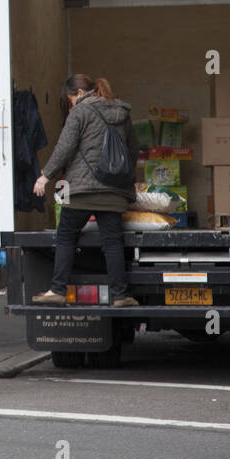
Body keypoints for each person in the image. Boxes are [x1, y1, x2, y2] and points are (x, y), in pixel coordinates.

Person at [31, 74, 139, 308]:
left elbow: (65, 147)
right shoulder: (122, 112)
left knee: (66, 236)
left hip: (82, 190)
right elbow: (132, 151)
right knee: (112, 242)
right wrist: (126, 183)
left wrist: (46, 175)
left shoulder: (80, 111)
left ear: (79, 94)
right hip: (113, 191)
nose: (71, 104)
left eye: (70, 99)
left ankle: (58, 289)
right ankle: (120, 296)